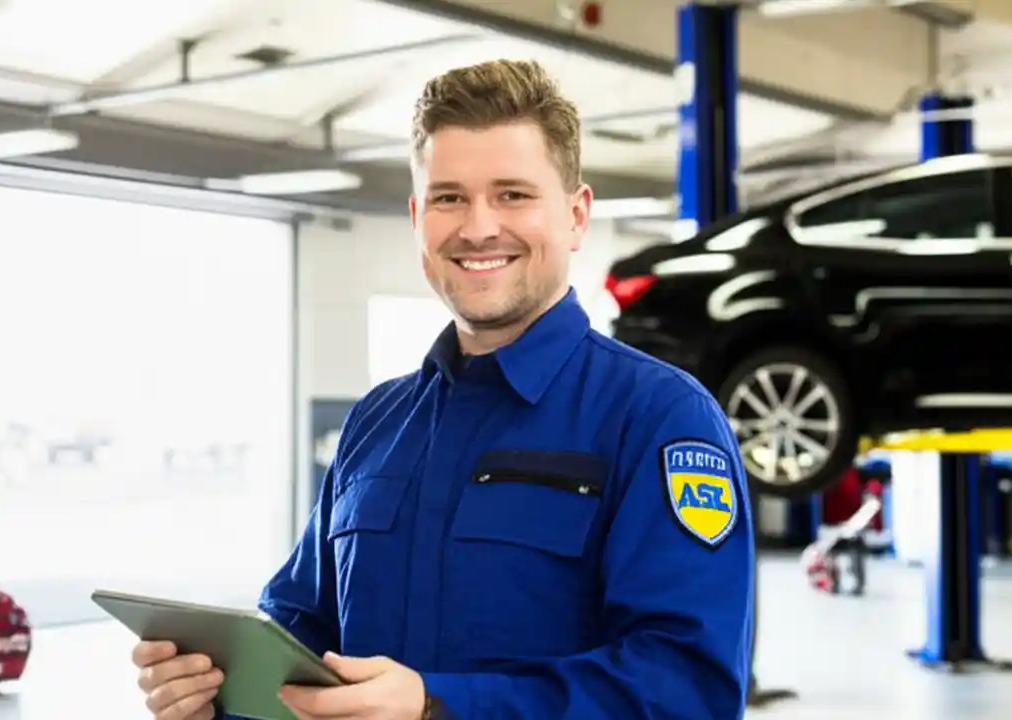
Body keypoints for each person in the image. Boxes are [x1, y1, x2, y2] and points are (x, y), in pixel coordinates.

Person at [130, 58, 755, 720]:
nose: (479, 227)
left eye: (513, 194)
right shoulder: (378, 422)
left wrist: (438, 705)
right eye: (448, 197)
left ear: (576, 216)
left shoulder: (660, 419)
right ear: (417, 216)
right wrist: (221, 696)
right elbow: (302, 634)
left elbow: (688, 691)